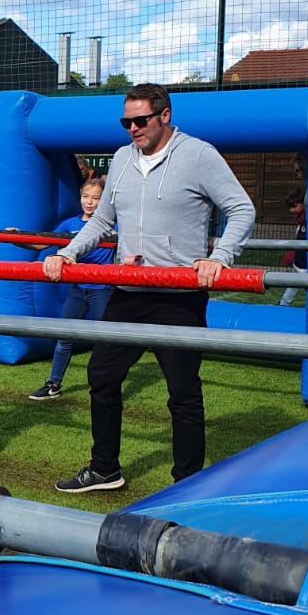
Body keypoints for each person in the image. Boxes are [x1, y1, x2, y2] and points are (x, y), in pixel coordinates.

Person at [43, 83, 255, 493]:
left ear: (164, 115)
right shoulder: (122, 158)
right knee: (101, 374)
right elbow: (101, 222)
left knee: (182, 392)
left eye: (140, 120)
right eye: (127, 122)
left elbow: (241, 207)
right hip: (129, 292)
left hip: (178, 298)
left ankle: (188, 482)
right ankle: (105, 469)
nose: (133, 129)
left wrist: (221, 256)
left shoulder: (198, 155)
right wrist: (68, 253)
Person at [27, 177, 115, 400]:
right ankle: (53, 384)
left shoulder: (113, 226)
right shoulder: (69, 225)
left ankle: (105, 385)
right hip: (78, 290)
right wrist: (13, 238)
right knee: (64, 337)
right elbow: (40, 242)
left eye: (96, 198)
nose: (90, 202)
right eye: (86, 197)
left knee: (104, 340)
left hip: (102, 290)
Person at [279, 188, 308, 307]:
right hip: (299, 261)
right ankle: (282, 304)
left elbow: (303, 240)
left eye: (294, 206)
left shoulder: (306, 219)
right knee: (292, 285)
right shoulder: (301, 219)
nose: (291, 210)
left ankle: (283, 304)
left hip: (304, 263)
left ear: (302, 203)